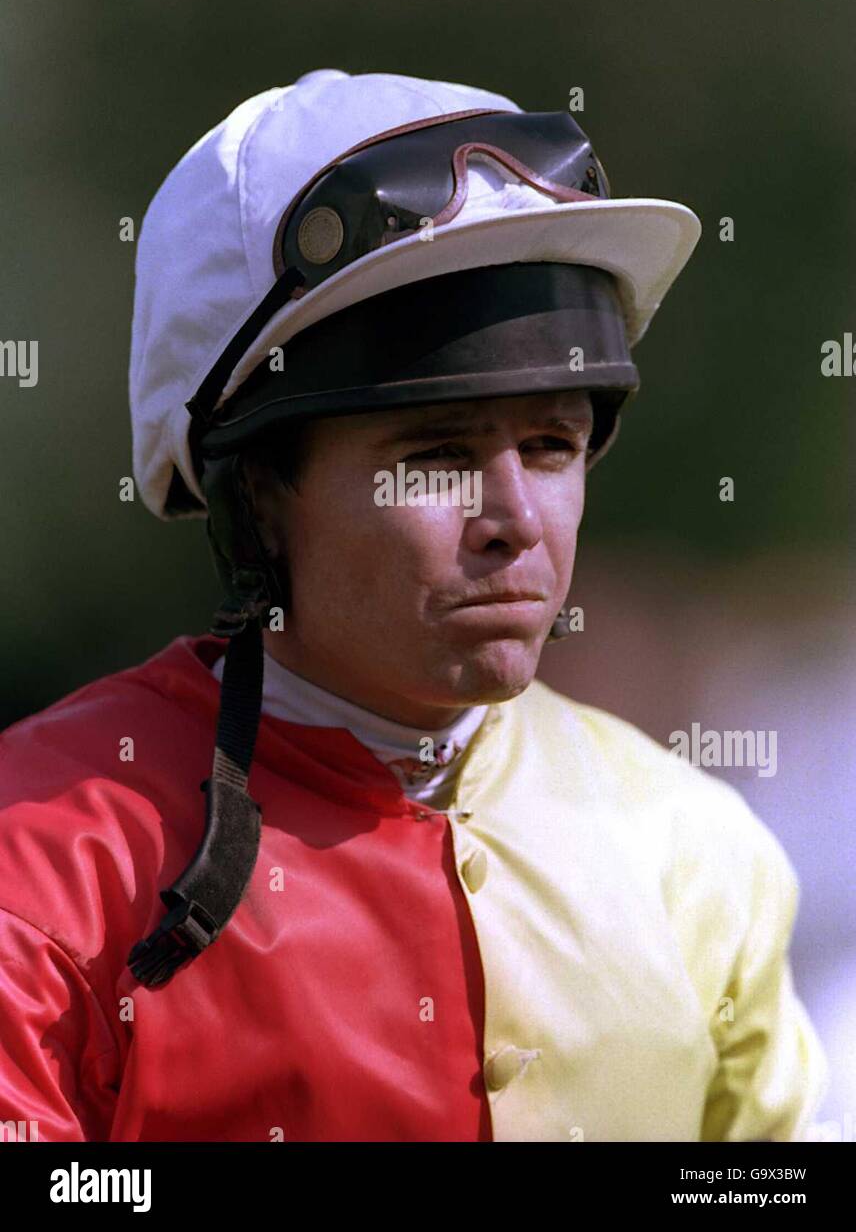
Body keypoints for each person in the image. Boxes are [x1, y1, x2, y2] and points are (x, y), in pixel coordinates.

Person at [0, 70, 828, 1142]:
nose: (515, 519)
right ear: (257, 494)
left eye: (551, 445)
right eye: (435, 457)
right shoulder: (41, 856)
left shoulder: (698, 845)